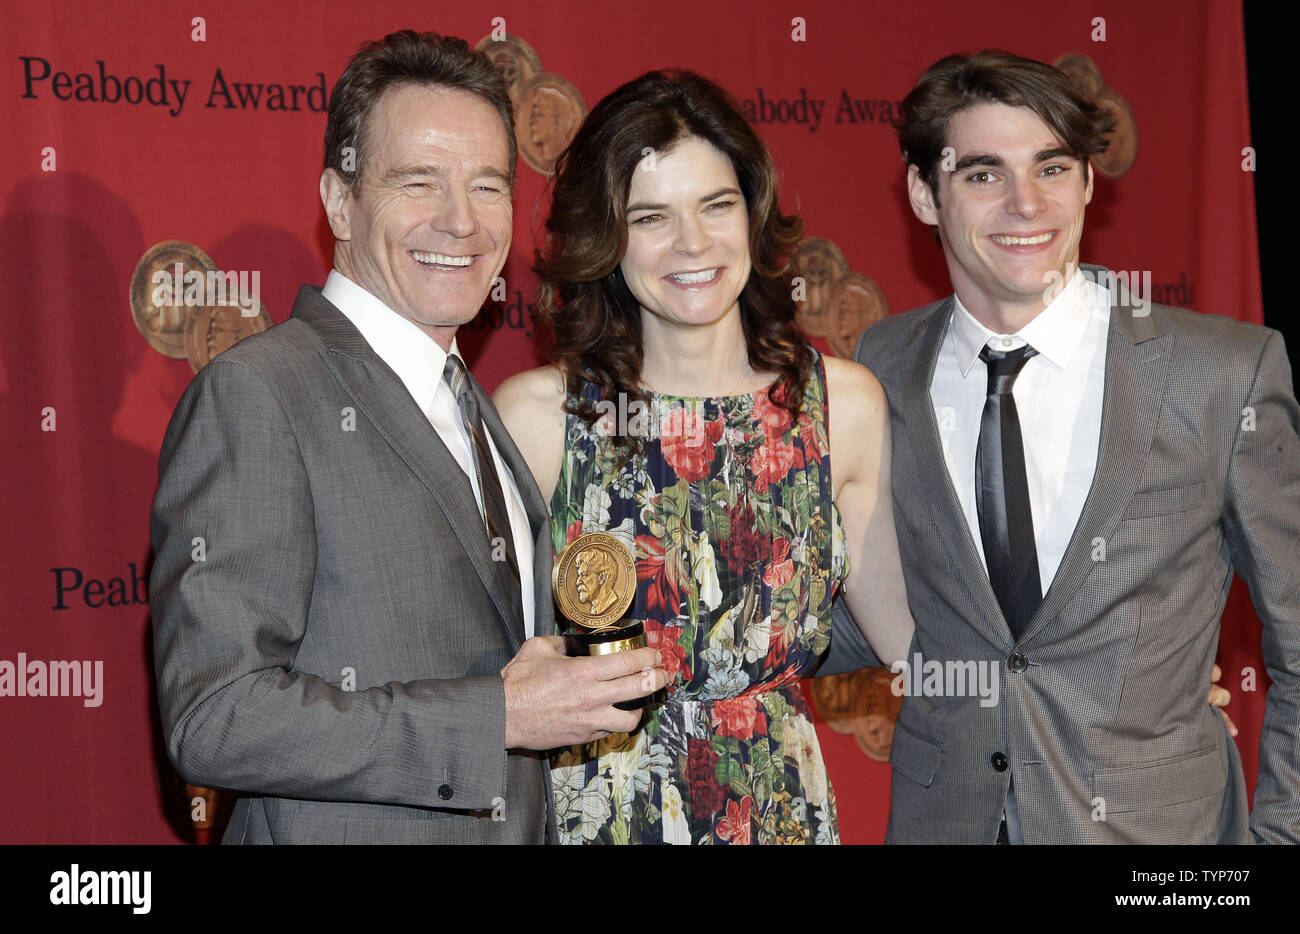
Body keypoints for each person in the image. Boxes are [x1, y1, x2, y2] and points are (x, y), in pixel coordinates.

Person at [149, 30, 666, 845]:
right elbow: (215, 716)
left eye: (488, 186)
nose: (460, 221)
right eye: (417, 181)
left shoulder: (473, 405)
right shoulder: (259, 395)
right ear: (338, 201)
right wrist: (496, 715)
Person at [820, 50, 1300, 843]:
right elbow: (873, 616)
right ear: (922, 194)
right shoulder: (878, 370)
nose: (1024, 203)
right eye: (982, 175)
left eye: (1052, 167)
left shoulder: (1222, 374)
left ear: (1086, 181)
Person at [495, 70, 914, 844]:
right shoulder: (541, 419)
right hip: (596, 818)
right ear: (605, 237)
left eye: (716, 206)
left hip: (778, 812)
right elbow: (479, 673)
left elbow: (923, 648)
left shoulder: (840, 408)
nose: (693, 244)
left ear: (752, 214)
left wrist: (1135, 686)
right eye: (651, 217)